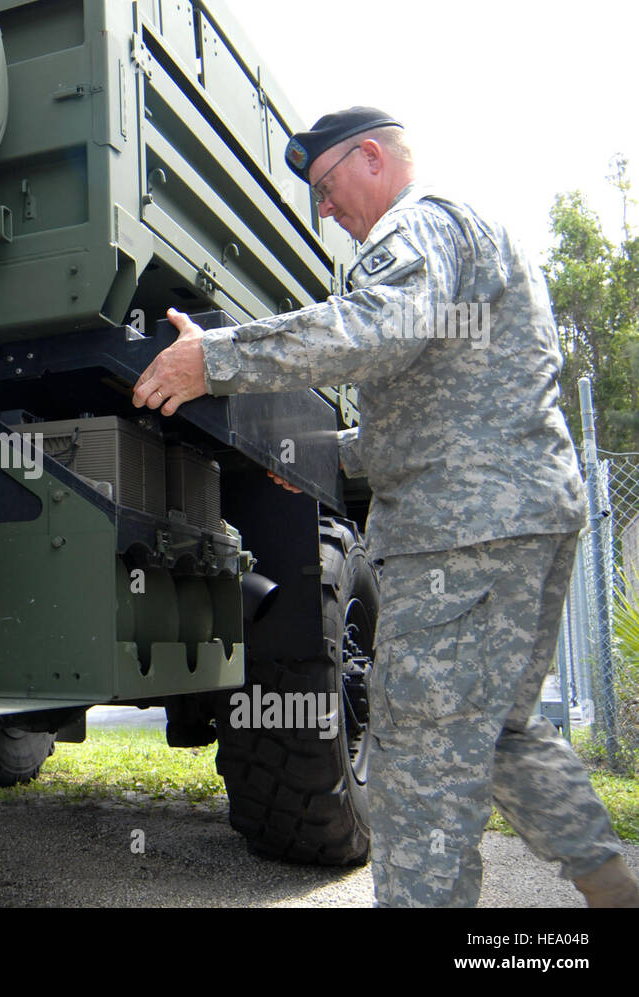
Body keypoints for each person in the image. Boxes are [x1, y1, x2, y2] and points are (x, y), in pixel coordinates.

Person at [131, 106, 638, 907]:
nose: (326, 212)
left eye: (327, 188)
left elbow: (375, 327)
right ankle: (615, 887)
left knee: (419, 756)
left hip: (462, 534)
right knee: (501, 728)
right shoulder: (471, 238)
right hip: (522, 513)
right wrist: (313, 455)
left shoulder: (421, 225)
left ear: (372, 156)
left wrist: (216, 358)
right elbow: (430, 420)